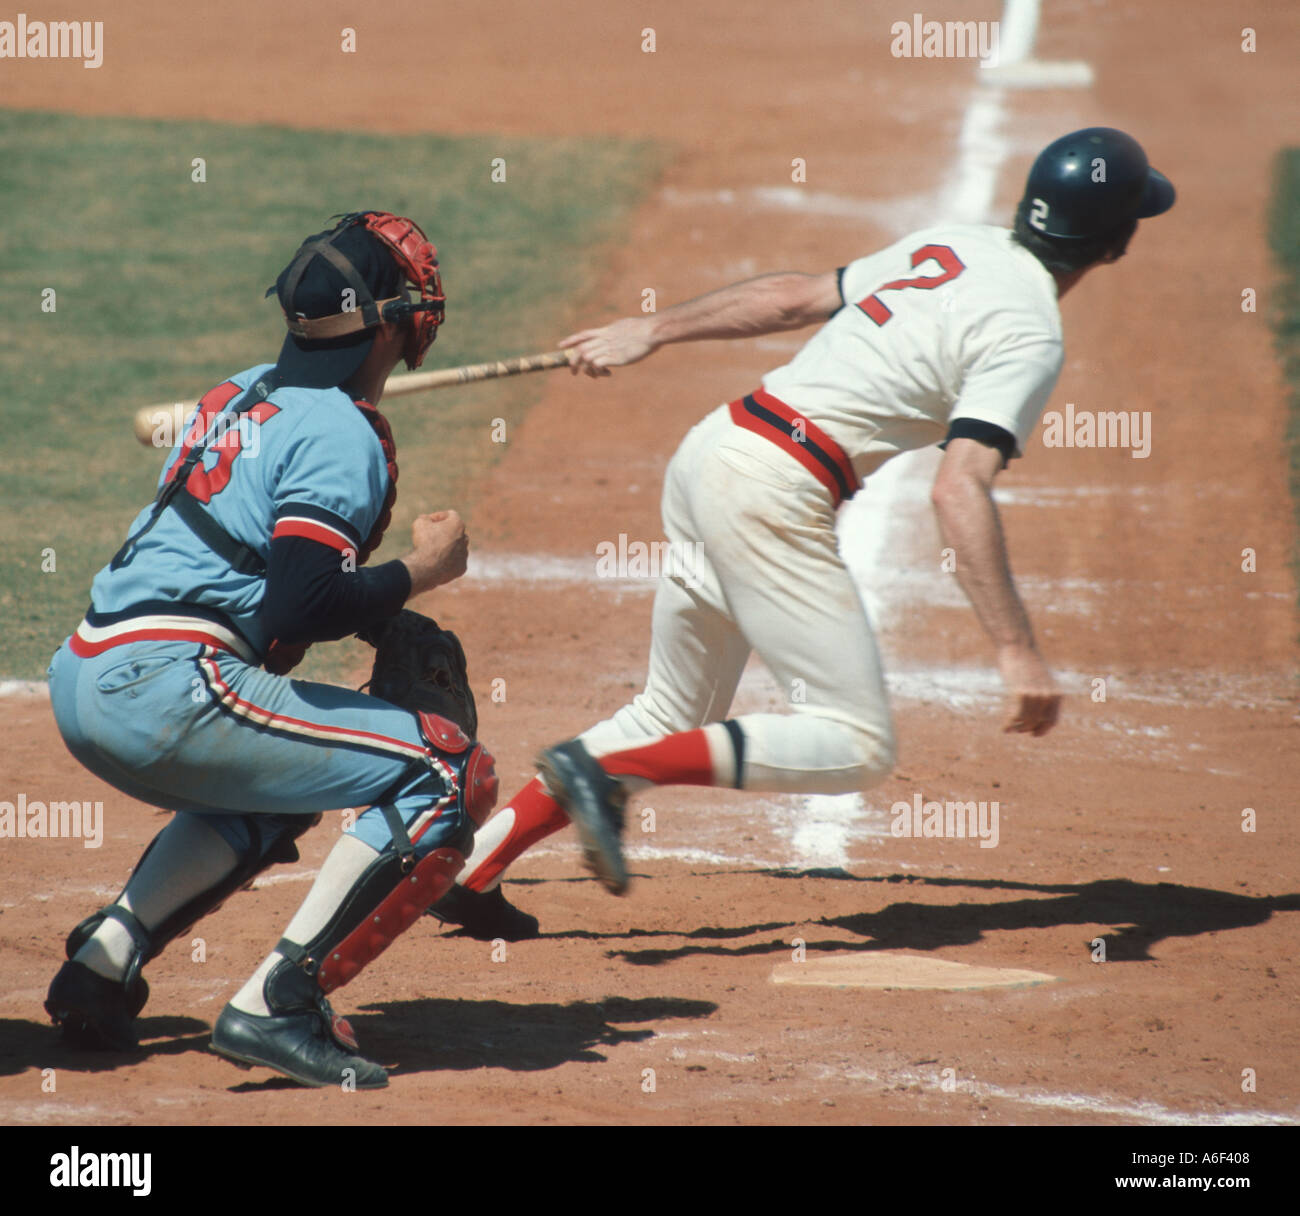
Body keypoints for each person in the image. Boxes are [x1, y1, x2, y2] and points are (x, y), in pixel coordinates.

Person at [430, 126, 1176, 913]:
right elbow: (959, 488)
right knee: (856, 743)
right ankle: (610, 775)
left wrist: (653, 327)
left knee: (672, 714)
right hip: (771, 491)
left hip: (714, 450)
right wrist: (1018, 652)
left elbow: (792, 297)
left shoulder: (958, 244)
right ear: (1117, 244)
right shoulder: (1031, 331)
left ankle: (473, 866)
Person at [44, 211, 498, 1089]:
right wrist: (421, 572)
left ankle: (103, 961)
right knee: (447, 773)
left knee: (282, 787)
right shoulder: (336, 432)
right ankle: (276, 1004)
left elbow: (262, 590)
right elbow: (306, 599)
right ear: (387, 320)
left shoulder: (240, 392)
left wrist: (375, 609)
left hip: (87, 677)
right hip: (166, 690)